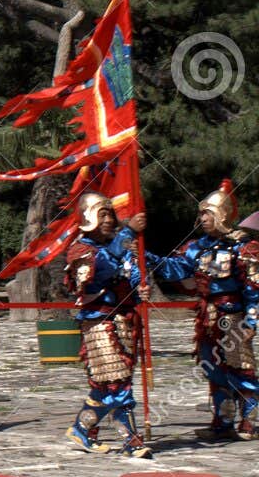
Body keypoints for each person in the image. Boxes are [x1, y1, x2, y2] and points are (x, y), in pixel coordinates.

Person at [145, 182, 259, 441]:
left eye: (207, 213)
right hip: (206, 316)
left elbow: (254, 289)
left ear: (222, 214)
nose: (202, 219)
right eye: (201, 214)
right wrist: (147, 257)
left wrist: (251, 321)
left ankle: (251, 421)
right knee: (214, 370)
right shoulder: (196, 247)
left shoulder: (243, 247)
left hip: (234, 316)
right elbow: (177, 269)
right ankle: (223, 421)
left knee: (240, 368)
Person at [63, 194, 150, 458]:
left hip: (123, 320)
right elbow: (99, 271)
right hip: (99, 323)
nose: (109, 220)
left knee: (106, 384)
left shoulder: (120, 247)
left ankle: (82, 428)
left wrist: (139, 290)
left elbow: (126, 277)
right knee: (116, 383)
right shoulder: (80, 250)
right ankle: (131, 440)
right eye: (102, 214)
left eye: (110, 214)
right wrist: (129, 233)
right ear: (88, 217)